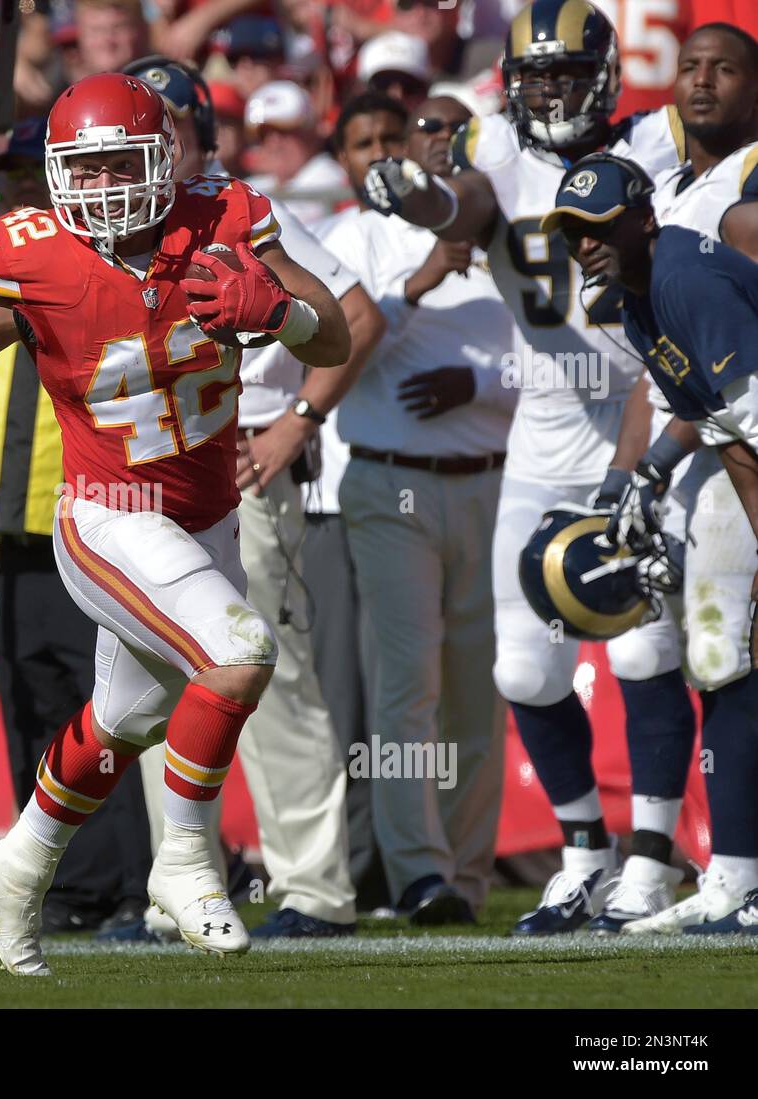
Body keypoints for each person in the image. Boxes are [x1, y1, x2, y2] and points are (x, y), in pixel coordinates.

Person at [0, 72, 350, 976]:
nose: (100, 189)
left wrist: (284, 314)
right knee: (241, 652)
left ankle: (17, 859)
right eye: (83, 170)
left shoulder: (226, 220)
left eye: (118, 167)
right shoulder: (34, 254)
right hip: (109, 515)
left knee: (121, 722)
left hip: (207, 513)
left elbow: (333, 339)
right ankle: (186, 862)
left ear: (164, 158)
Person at [363, 0, 697, 934]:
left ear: (603, 75)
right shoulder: (496, 149)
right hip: (545, 433)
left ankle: (652, 861)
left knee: (642, 647)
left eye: (564, 72)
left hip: (648, 409)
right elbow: (460, 206)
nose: (548, 90)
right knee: (523, 671)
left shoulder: (663, 141)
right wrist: (418, 197)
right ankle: (582, 856)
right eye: (534, 75)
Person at [121, 56, 385, 940]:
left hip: (238, 473)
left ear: (200, 134)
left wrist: (296, 421)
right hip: (152, 482)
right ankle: (178, 895)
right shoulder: (119, 225)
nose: (149, 143)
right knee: (160, 686)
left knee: (272, 681)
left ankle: (312, 889)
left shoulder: (236, 211)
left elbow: (357, 313)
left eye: (165, 125)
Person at [0, 117, 155, 935]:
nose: (22, 187)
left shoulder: (98, 252)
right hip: (4, 515)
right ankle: (73, 884)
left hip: (88, 510)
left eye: (36, 172)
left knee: (110, 707)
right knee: (36, 703)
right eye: (13, 175)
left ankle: (137, 882)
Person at [541, 152, 758, 936]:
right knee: (719, 657)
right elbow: (713, 419)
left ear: (643, 218)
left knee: (724, 653)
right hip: (738, 457)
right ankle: (737, 874)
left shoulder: (682, 281)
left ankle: (744, 876)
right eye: (571, 229)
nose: (585, 243)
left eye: (598, 226)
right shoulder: (635, 294)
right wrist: (647, 474)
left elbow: (755, 424)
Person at [324, 91, 517, 922]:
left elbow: (566, 368)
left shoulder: (508, 230)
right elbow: (334, 351)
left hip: (496, 479)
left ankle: (468, 878)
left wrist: (475, 380)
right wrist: (420, 279)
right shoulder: (356, 233)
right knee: (408, 687)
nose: (436, 142)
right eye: (422, 130)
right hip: (388, 482)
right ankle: (420, 875)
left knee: (484, 689)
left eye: (448, 129)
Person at [243, 81, 349, 225]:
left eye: (284, 132)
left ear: (310, 132)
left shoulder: (329, 176)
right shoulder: (256, 184)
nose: (274, 142)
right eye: (265, 135)